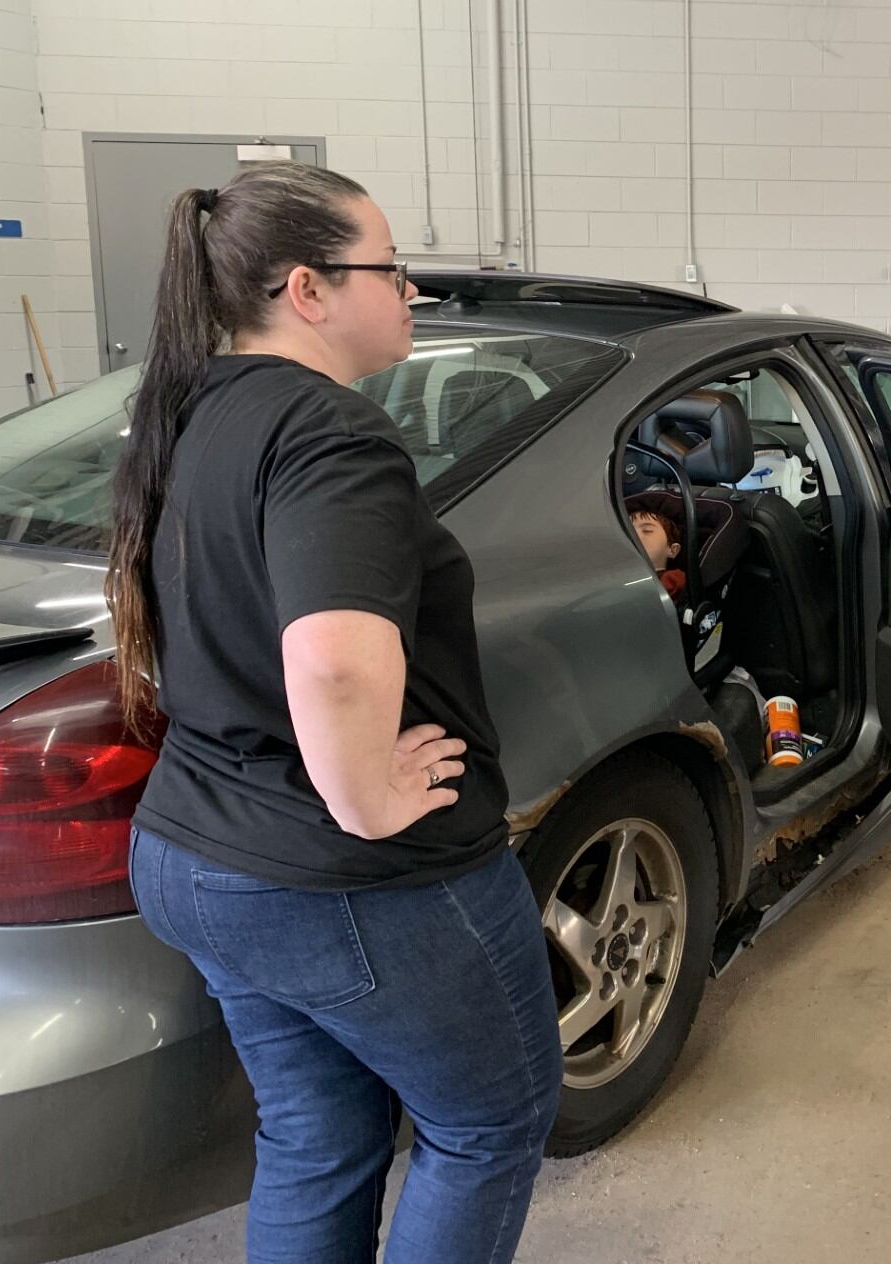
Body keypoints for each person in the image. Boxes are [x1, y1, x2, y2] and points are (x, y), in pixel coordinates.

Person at [106, 163, 563, 1264]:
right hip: (344, 880)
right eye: (392, 270)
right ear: (308, 289)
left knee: (316, 1135)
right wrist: (365, 797)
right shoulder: (331, 435)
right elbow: (336, 667)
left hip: (194, 854)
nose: (411, 292)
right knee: (488, 1122)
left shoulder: (189, 410)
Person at [628, 497, 687, 600]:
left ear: (673, 550)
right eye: (628, 530)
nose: (633, 535)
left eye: (647, 531)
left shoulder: (672, 579)